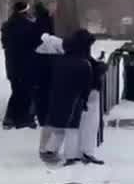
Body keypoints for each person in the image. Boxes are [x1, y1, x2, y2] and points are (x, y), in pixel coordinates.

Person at [38, 29, 95, 167]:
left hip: (58, 98)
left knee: (59, 129)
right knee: (72, 130)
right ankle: (70, 156)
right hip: (74, 101)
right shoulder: (84, 64)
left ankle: (49, 150)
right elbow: (86, 86)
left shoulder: (59, 61)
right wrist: (84, 100)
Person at [0, 2, 36, 129]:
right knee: (25, 92)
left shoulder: (7, 26)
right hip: (25, 65)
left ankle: (12, 118)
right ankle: (19, 118)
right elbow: (33, 44)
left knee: (16, 91)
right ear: (24, 11)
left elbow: (4, 44)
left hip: (11, 64)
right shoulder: (29, 26)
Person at [30, 0, 58, 142]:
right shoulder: (43, 19)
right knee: (42, 90)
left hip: (43, 58)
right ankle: (41, 116)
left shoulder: (44, 18)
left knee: (42, 90)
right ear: (48, 5)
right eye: (54, 5)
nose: (56, 8)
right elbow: (42, 39)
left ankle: (41, 114)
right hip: (42, 59)